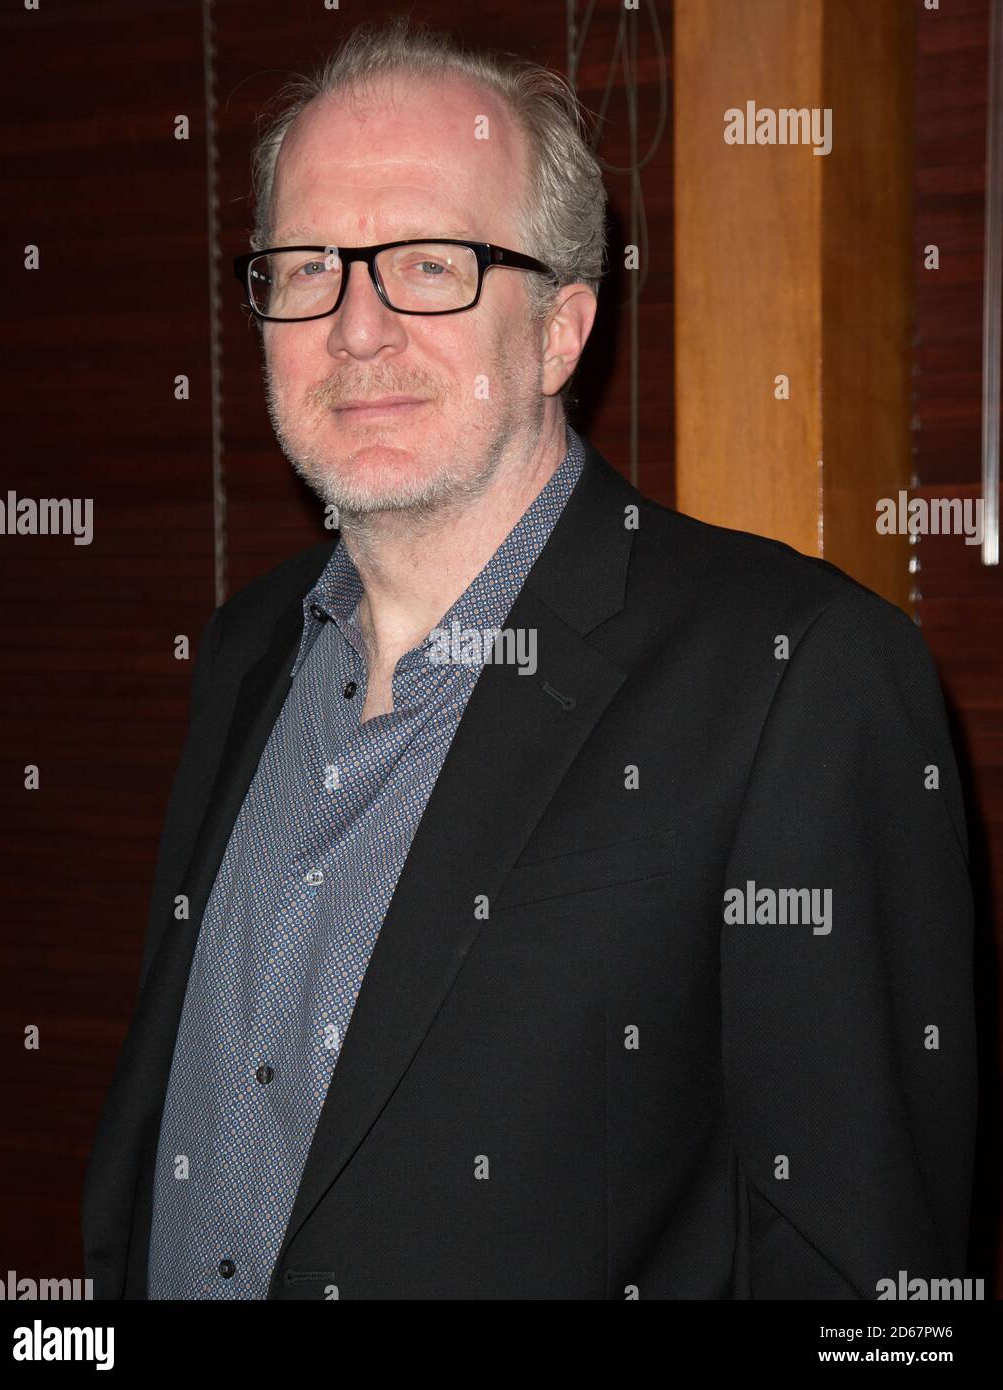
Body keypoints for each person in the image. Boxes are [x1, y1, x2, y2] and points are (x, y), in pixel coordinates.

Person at [83, 17, 976, 1300]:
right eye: (305, 268)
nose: (355, 328)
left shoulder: (797, 676)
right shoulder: (242, 649)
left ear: (561, 329)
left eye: (431, 265)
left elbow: (861, 1281)